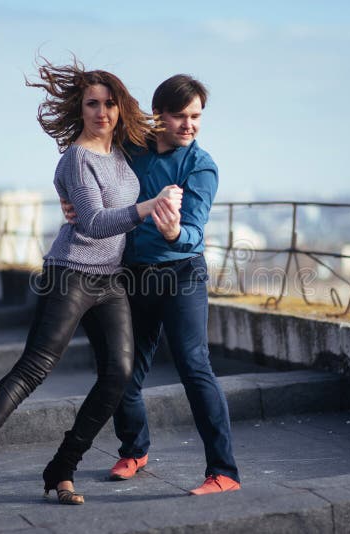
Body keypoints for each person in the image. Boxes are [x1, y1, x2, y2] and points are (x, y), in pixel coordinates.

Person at [0, 57, 182, 520]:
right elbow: (91, 222)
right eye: (93, 103)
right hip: (69, 272)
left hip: (110, 278)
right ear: (80, 108)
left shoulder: (124, 150)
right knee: (33, 369)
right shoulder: (76, 157)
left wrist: (185, 121)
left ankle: (62, 468)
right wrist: (148, 207)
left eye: (109, 103)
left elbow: (171, 136)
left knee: (119, 374)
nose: (102, 112)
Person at [62, 74, 241, 495]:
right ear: (158, 115)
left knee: (195, 367)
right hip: (130, 274)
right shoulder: (131, 150)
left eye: (196, 116)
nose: (189, 125)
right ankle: (135, 449)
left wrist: (176, 232)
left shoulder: (201, 165)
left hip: (181, 274)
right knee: (121, 371)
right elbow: (88, 165)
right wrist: (69, 197)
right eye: (179, 115)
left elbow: (195, 230)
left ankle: (224, 471)